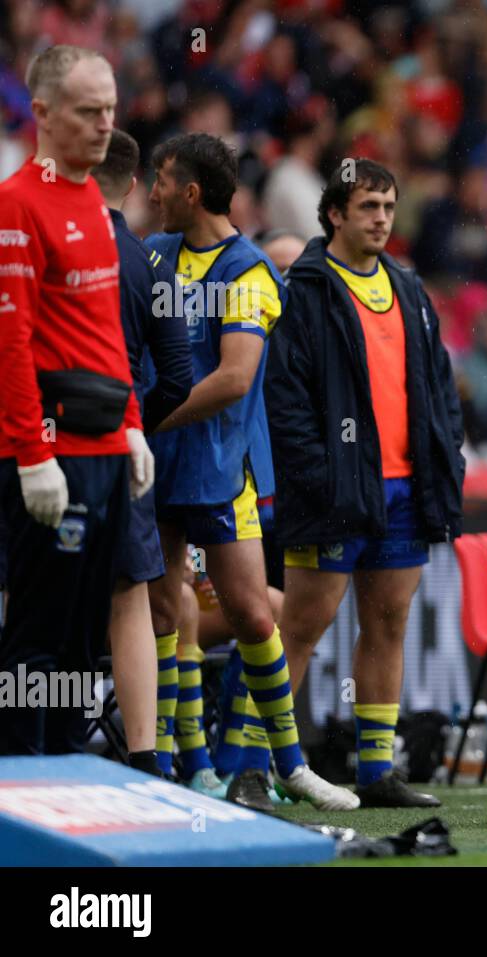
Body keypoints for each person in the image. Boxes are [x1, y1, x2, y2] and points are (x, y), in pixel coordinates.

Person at [144, 131, 356, 810]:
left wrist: (147, 424)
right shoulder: (153, 256)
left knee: (248, 611)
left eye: (161, 181)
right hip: (153, 467)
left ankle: (288, 762)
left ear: (192, 192)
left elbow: (236, 378)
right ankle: (189, 763)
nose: (152, 193)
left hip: (212, 466)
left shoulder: (250, 271)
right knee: (163, 607)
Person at [269, 159, 465, 808]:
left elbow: (438, 387)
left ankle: (376, 768)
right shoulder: (308, 287)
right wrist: (317, 475)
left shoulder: (408, 287)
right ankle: (250, 761)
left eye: (388, 206)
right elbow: (286, 396)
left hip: (406, 488)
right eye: (368, 207)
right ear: (334, 215)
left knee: (388, 620)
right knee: (302, 623)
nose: (382, 218)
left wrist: (447, 461)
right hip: (334, 489)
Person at [0, 46, 155, 761]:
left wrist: (130, 425)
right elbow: (13, 339)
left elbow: (100, 331)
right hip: (52, 454)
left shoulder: (92, 199)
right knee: (36, 637)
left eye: (111, 110)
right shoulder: (17, 203)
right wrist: (33, 454)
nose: (105, 125)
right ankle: (21, 791)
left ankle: (67, 782)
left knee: (82, 639)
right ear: (43, 114)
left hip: (101, 452)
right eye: (89, 111)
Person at [90, 128, 196, 782]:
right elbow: (179, 375)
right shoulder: (147, 264)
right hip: (125, 449)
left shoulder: (46, 242)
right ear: (131, 184)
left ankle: (44, 743)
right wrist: (135, 424)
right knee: (131, 596)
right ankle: (144, 756)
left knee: (39, 596)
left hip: (47, 443)